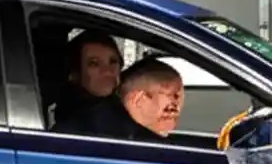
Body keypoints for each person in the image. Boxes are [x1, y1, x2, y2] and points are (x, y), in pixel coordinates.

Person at [54, 56, 184, 141]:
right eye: (173, 96)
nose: (177, 106)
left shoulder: (108, 124)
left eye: (180, 96)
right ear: (138, 99)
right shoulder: (116, 140)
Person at [52, 29, 124, 126]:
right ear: (75, 74)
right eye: (94, 63)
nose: (108, 71)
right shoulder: (75, 124)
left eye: (113, 61)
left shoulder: (126, 107)